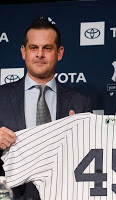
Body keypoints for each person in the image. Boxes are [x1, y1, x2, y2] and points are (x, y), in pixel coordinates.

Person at [0, 17, 92, 200]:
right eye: (34, 48)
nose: (40, 54)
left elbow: (91, 159)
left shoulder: (80, 103)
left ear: (59, 53)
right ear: (23, 52)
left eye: (47, 48)